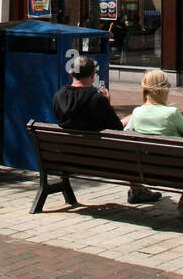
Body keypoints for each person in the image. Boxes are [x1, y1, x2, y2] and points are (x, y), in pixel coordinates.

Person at [51, 54, 161, 205]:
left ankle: (137, 189)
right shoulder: (96, 100)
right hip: (102, 159)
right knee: (133, 123)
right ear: (93, 75)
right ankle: (136, 189)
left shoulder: (58, 96)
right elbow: (116, 129)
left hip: (68, 158)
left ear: (71, 74)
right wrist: (108, 103)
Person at [125, 69, 183, 220]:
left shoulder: (137, 112)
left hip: (147, 169)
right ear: (161, 89)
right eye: (168, 85)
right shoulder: (171, 112)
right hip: (177, 170)